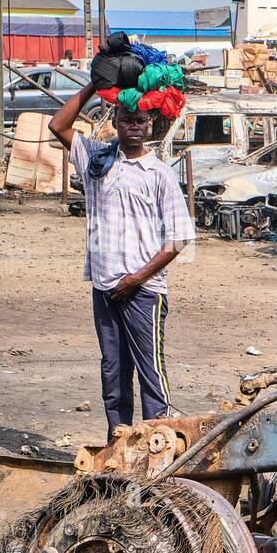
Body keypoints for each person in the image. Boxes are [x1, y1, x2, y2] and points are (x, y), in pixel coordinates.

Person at [47, 80, 195, 442]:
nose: (134, 126)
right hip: (104, 285)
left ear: (151, 126)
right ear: (115, 120)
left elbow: (179, 238)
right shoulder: (98, 160)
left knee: (150, 374)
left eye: (141, 121)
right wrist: (92, 87)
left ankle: (157, 445)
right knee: (113, 372)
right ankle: (118, 442)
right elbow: (58, 126)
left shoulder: (159, 173)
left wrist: (138, 278)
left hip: (144, 291)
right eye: (127, 119)